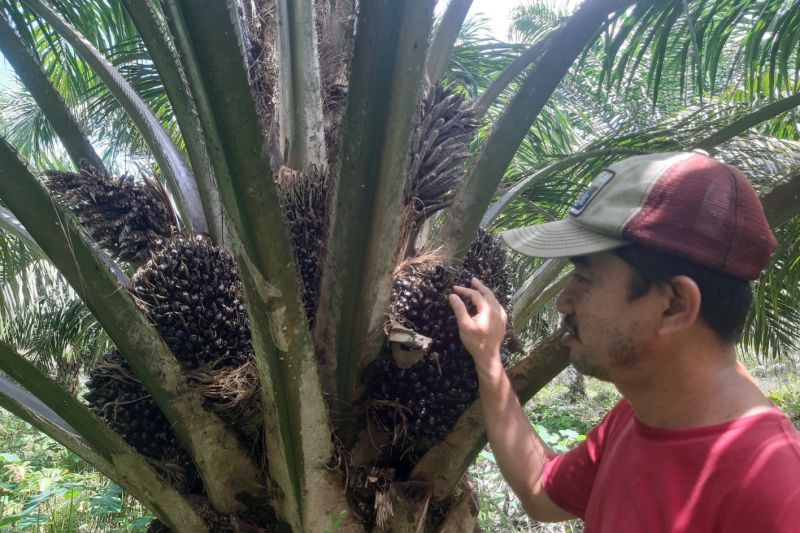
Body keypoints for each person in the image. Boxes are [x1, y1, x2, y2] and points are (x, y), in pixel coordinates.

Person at [448, 151, 800, 532]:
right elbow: (540, 491)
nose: (563, 300)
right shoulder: (638, 415)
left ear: (673, 306)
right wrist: (488, 360)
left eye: (584, 277)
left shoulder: (777, 497)